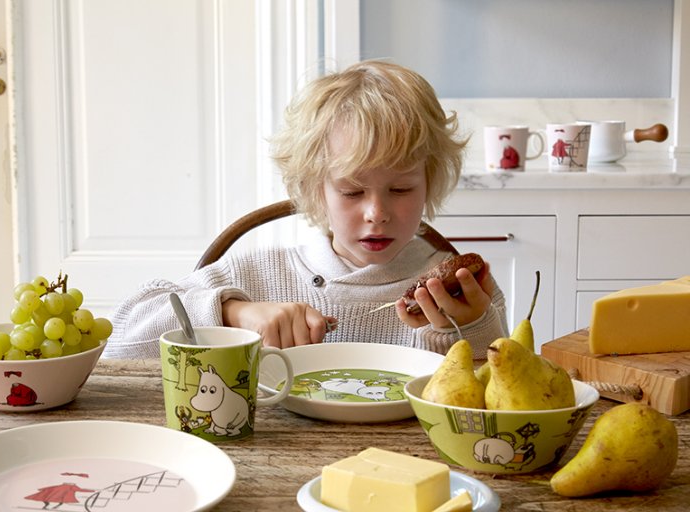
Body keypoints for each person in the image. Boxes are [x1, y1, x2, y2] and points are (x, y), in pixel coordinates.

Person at [104, 60, 508, 360]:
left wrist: (472, 328)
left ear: (430, 181)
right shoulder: (259, 276)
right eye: (351, 192)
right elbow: (121, 341)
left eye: (401, 188)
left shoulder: (464, 291)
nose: (377, 212)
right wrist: (232, 313)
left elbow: (495, 397)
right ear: (315, 189)